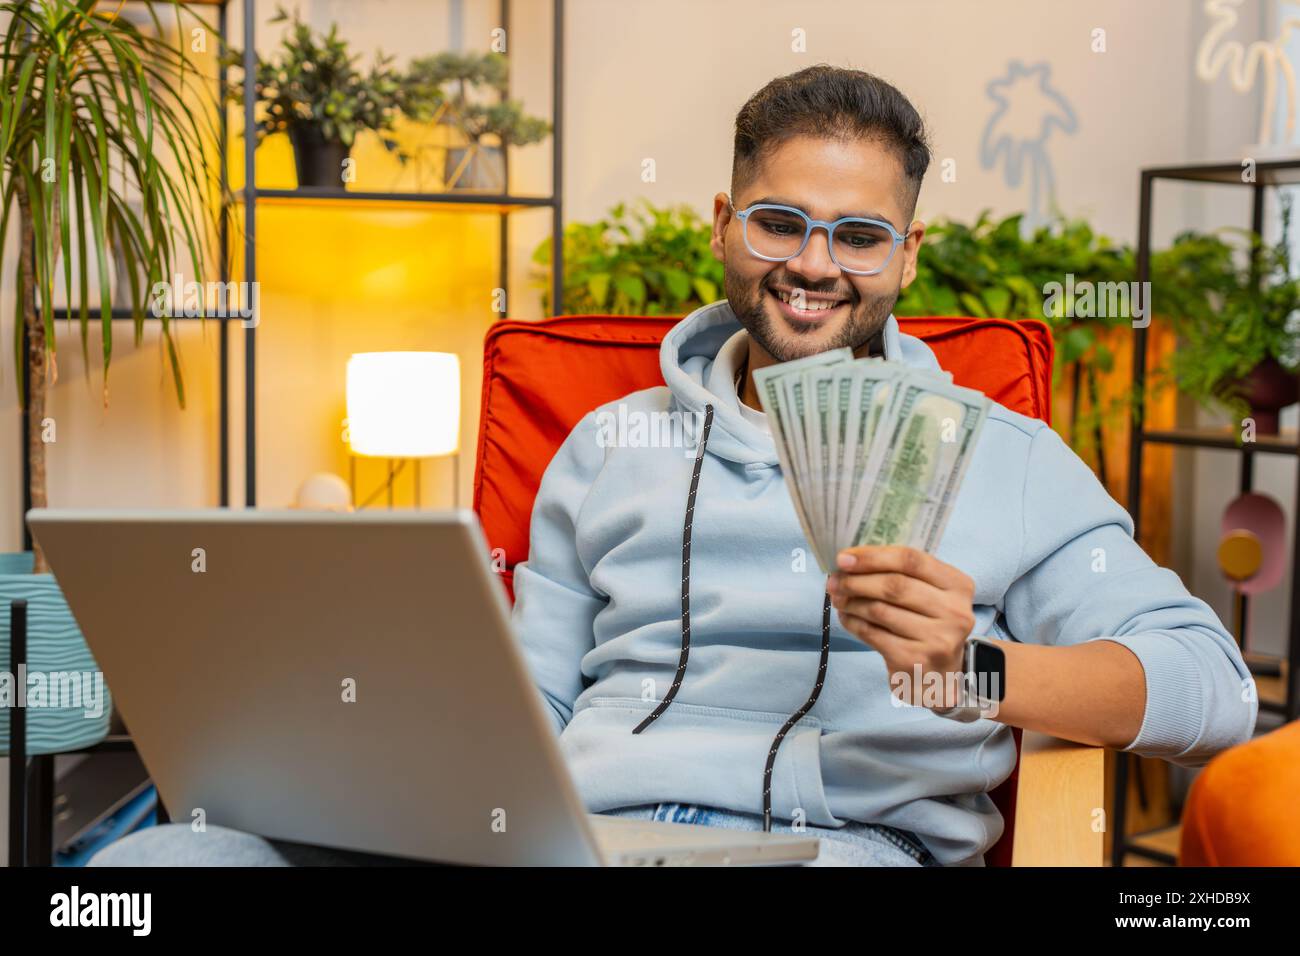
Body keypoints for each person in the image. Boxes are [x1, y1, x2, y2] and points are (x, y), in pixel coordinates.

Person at [92, 65, 1255, 868]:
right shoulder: (605, 447)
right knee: (158, 861)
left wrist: (982, 671)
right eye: (777, 221)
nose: (813, 265)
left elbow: (1214, 690)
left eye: (857, 234)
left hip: (835, 845)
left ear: (907, 255)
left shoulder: (1001, 455)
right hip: (577, 835)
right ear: (719, 223)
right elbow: (533, 699)